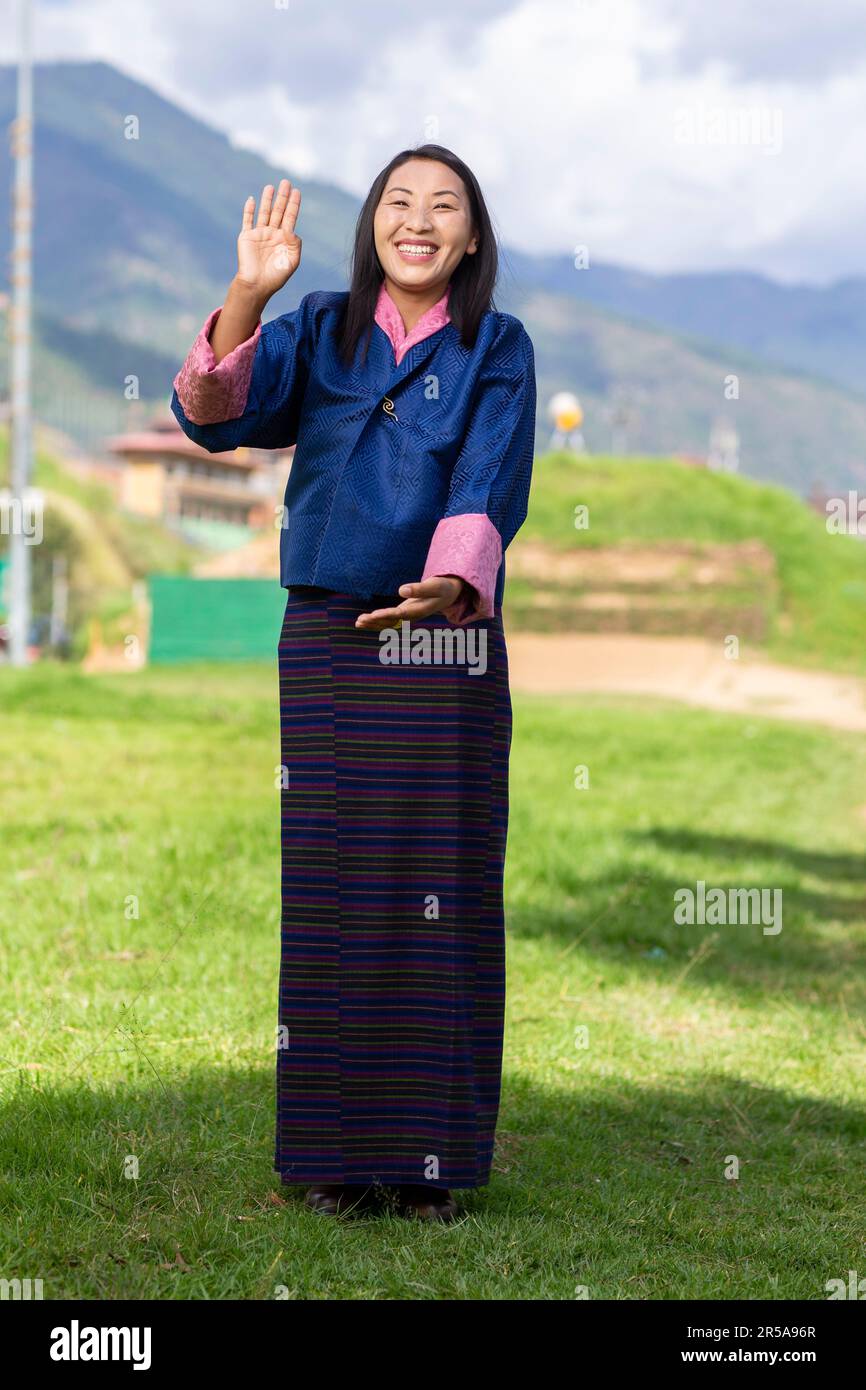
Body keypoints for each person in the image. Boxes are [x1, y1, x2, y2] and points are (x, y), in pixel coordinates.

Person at [171, 144, 537, 1222]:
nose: (416, 221)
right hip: (329, 637)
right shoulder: (321, 327)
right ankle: (335, 1157)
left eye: (442, 207)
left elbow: (489, 473)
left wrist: (449, 583)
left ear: (471, 238)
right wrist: (249, 288)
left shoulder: (497, 346)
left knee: (442, 891)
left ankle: (430, 1167)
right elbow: (214, 412)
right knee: (331, 892)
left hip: (442, 640)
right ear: (373, 222)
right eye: (398, 202)